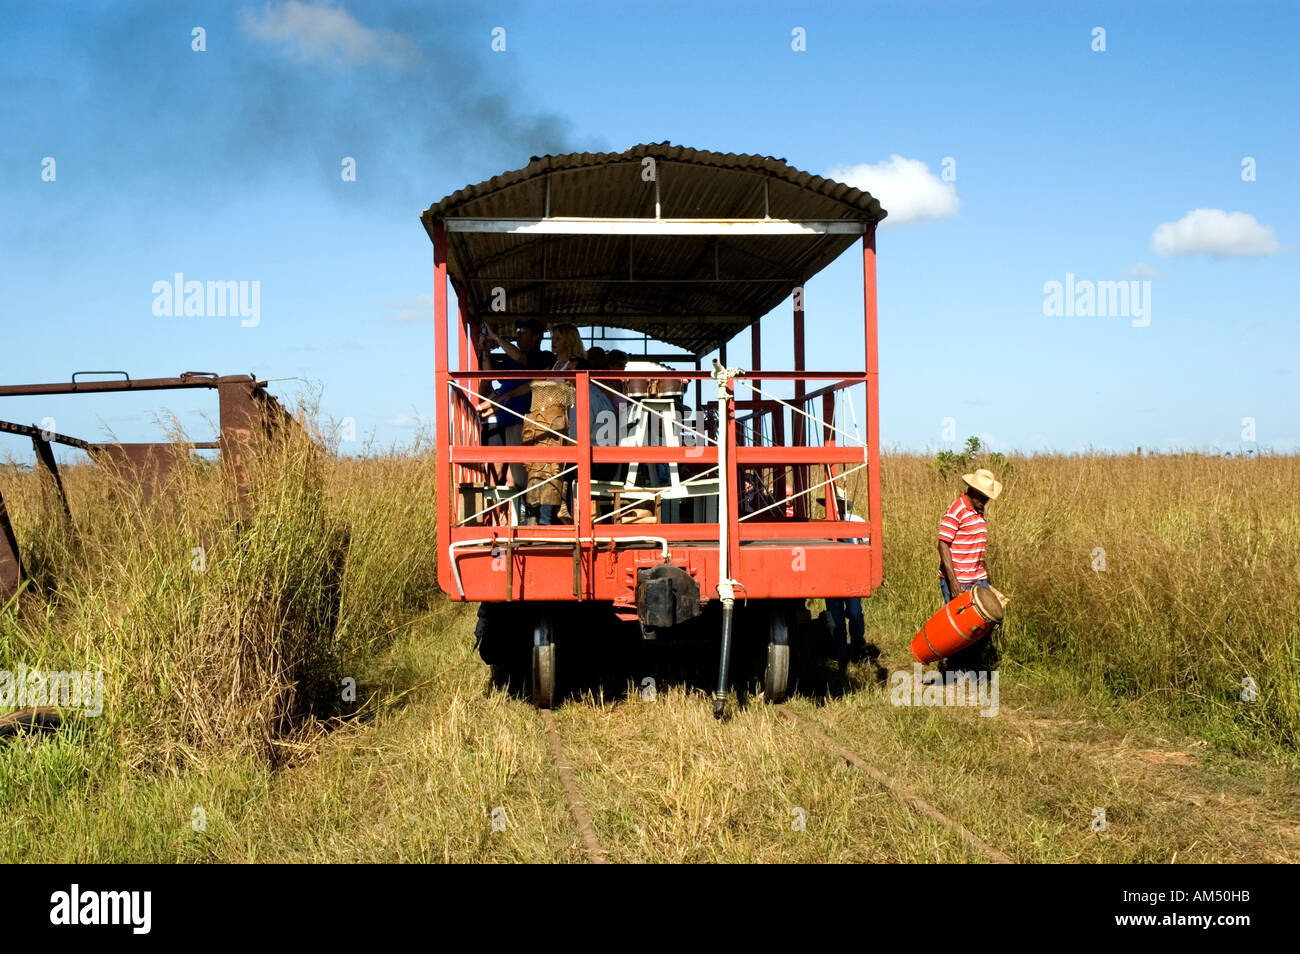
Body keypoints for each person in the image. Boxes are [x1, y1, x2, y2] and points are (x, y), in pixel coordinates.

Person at [480, 320, 553, 517]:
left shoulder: (543, 357)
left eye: (523, 331)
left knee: (526, 473)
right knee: (514, 475)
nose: (518, 334)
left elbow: (522, 358)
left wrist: (496, 337)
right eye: (517, 331)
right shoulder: (512, 358)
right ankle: (525, 516)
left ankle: (536, 517)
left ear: (537, 336)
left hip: (526, 419)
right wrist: (486, 352)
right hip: (507, 419)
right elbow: (491, 376)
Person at [937, 468, 1003, 671]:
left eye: (988, 497)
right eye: (982, 496)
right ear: (972, 490)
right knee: (961, 627)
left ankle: (971, 665)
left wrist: (987, 580)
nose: (986, 500)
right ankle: (956, 667)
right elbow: (943, 544)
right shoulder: (957, 509)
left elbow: (977, 548)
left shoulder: (979, 509)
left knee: (988, 621)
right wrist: (953, 581)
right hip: (959, 579)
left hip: (977, 577)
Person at [521, 324, 584, 525]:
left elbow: (573, 393)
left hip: (564, 422)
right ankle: (536, 514)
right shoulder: (554, 365)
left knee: (553, 467)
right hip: (545, 422)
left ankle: (545, 518)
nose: (553, 342)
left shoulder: (576, 365)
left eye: (557, 338)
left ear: (568, 340)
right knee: (537, 466)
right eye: (552, 337)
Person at [820, 493, 868, 663]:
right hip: (831, 576)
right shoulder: (821, 524)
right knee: (836, 616)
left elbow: (865, 544)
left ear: (842, 504)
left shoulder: (855, 520)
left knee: (855, 613)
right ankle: (841, 654)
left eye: (836, 503)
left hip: (852, 574)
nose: (833, 507)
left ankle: (859, 648)